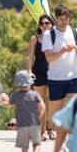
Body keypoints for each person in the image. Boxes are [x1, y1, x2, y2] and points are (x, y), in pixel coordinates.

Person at [39, 5, 77, 137]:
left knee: (74, 107)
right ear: (56, 18)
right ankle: (61, 139)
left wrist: (75, 47)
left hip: (73, 76)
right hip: (55, 78)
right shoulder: (49, 34)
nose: (64, 22)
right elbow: (49, 58)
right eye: (61, 19)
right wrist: (62, 51)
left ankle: (72, 138)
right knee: (59, 111)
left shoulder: (75, 32)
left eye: (67, 19)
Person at [25, 14, 55, 142]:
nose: (44, 25)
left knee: (53, 102)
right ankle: (42, 131)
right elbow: (29, 56)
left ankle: (52, 129)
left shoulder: (56, 38)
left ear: (52, 25)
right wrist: (29, 71)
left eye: (47, 23)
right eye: (42, 23)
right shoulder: (35, 39)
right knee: (41, 103)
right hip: (39, 72)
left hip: (54, 72)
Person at [10, 69, 46, 152]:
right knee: (37, 144)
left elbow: (8, 105)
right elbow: (43, 107)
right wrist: (38, 116)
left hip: (22, 126)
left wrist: (3, 101)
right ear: (30, 83)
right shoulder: (35, 95)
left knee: (24, 148)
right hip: (35, 124)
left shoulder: (15, 95)